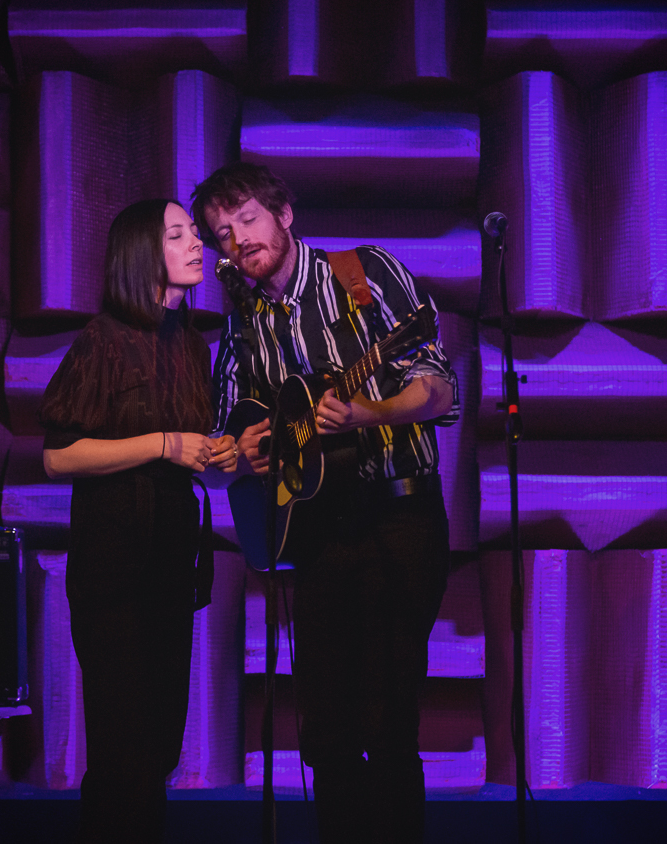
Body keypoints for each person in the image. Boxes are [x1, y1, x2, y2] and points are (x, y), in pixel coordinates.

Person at [192, 162, 457, 844]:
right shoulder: (244, 325)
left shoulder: (364, 275)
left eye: (247, 219)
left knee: (388, 720)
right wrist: (248, 447)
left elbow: (438, 387)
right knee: (328, 729)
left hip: (399, 518)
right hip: (315, 532)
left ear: (283, 214)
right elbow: (228, 436)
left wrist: (368, 414)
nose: (238, 240)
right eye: (223, 233)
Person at [38, 198, 238, 844]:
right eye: (178, 234)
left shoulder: (193, 345)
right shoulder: (103, 339)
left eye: (194, 233)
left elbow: (194, 452)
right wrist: (162, 444)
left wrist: (219, 454)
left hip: (171, 565)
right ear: (141, 253)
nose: (197, 244)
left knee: (157, 749)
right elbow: (58, 456)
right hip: (114, 569)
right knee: (122, 751)